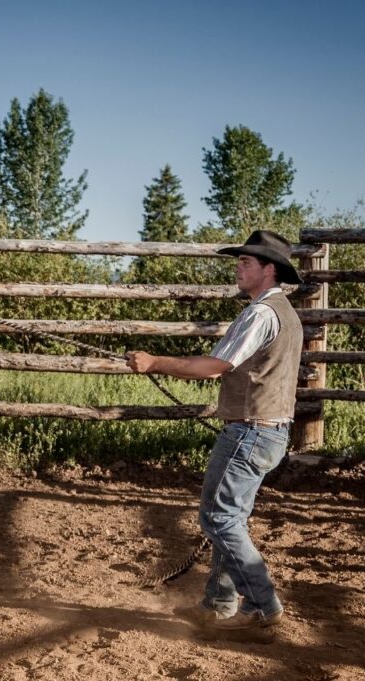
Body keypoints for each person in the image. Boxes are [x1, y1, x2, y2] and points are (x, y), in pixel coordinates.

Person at [125, 230, 303, 631]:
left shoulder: (260, 314)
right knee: (230, 519)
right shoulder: (286, 313)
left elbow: (213, 366)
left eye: (246, 263)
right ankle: (217, 604)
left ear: (269, 270)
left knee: (219, 519)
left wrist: (155, 362)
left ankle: (262, 606)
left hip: (249, 432)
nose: (238, 268)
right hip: (268, 431)